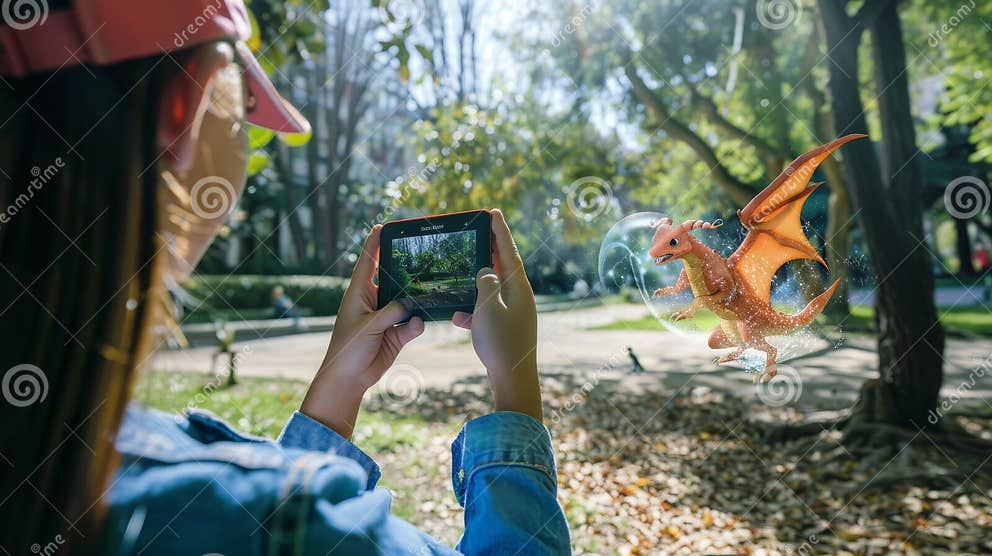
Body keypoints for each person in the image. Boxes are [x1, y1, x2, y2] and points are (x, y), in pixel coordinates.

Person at [0, 1, 569, 555]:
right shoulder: (258, 517)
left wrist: (335, 394)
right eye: (243, 98)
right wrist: (515, 383)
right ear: (186, 104)